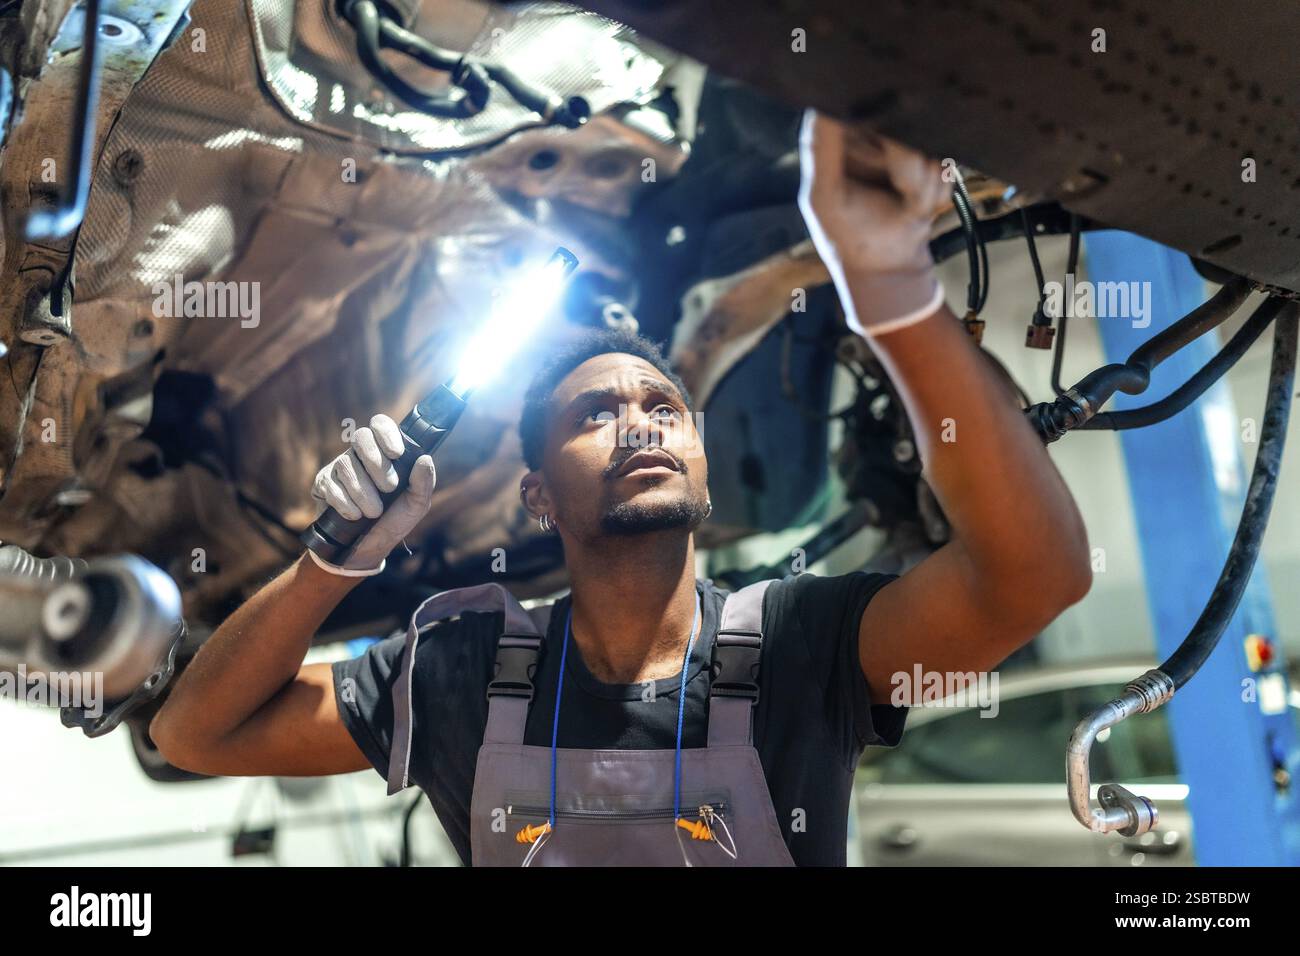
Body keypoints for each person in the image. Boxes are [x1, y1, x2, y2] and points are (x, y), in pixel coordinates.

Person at [149, 111, 1091, 866]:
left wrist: (889, 282)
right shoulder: (456, 669)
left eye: (664, 406)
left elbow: (1035, 579)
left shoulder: (804, 644)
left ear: (705, 468)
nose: (640, 420)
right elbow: (197, 734)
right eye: (593, 414)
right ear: (538, 498)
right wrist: (332, 559)